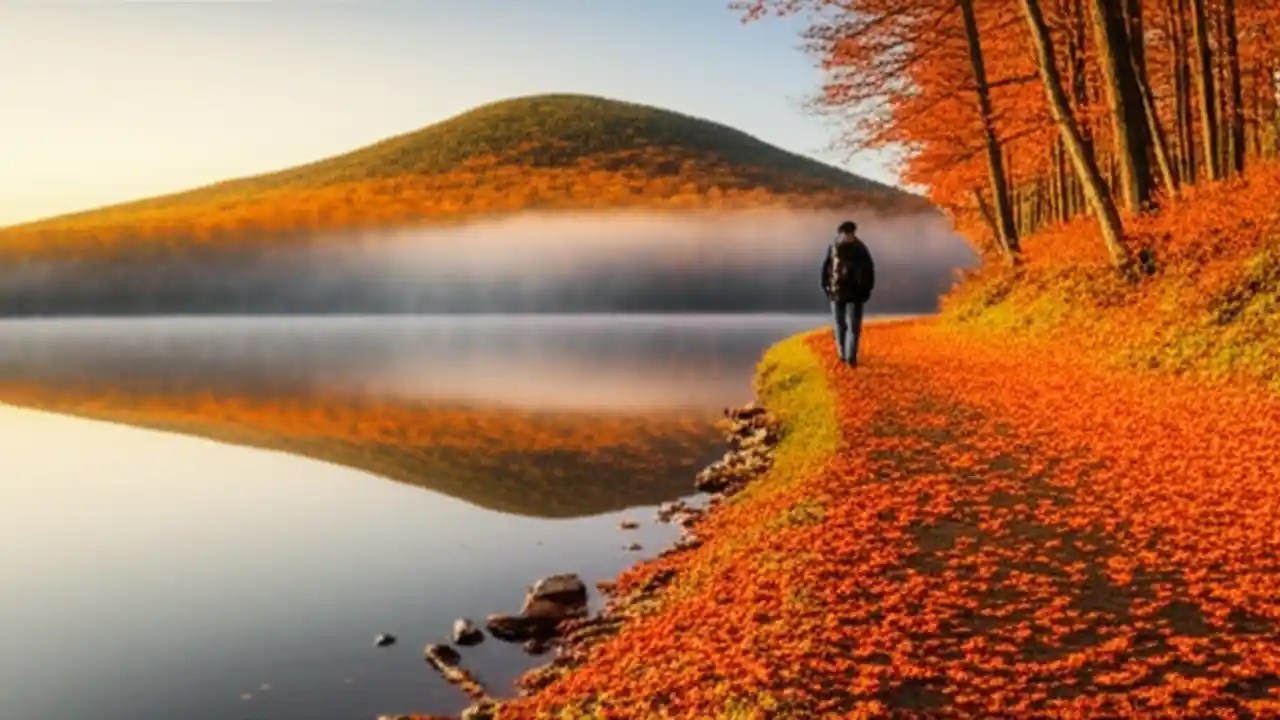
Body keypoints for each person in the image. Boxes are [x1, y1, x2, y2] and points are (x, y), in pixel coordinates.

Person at [820, 220, 875, 366]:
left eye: (850, 233)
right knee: (840, 325)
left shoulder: (861, 250)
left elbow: (869, 271)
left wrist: (866, 290)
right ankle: (843, 354)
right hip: (836, 292)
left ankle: (851, 357)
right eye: (845, 233)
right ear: (841, 233)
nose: (847, 236)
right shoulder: (834, 248)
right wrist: (826, 287)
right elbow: (826, 269)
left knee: (853, 326)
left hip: (855, 294)